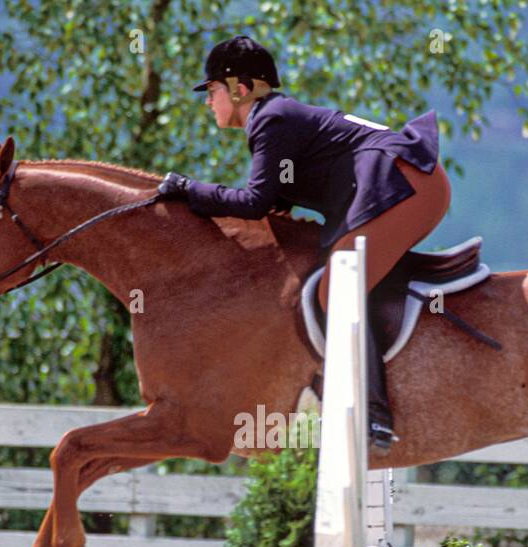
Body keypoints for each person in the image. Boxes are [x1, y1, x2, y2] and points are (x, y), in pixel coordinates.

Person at [156, 35, 452, 453]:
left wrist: (190, 190)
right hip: (406, 178)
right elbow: (275, 201)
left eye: (213, 91)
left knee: (339, 288)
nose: (208, 101)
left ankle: (373, 417)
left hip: (408, 181)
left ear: (240, 89)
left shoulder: (270, 119)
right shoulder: (276, 117)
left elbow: (256, 201)